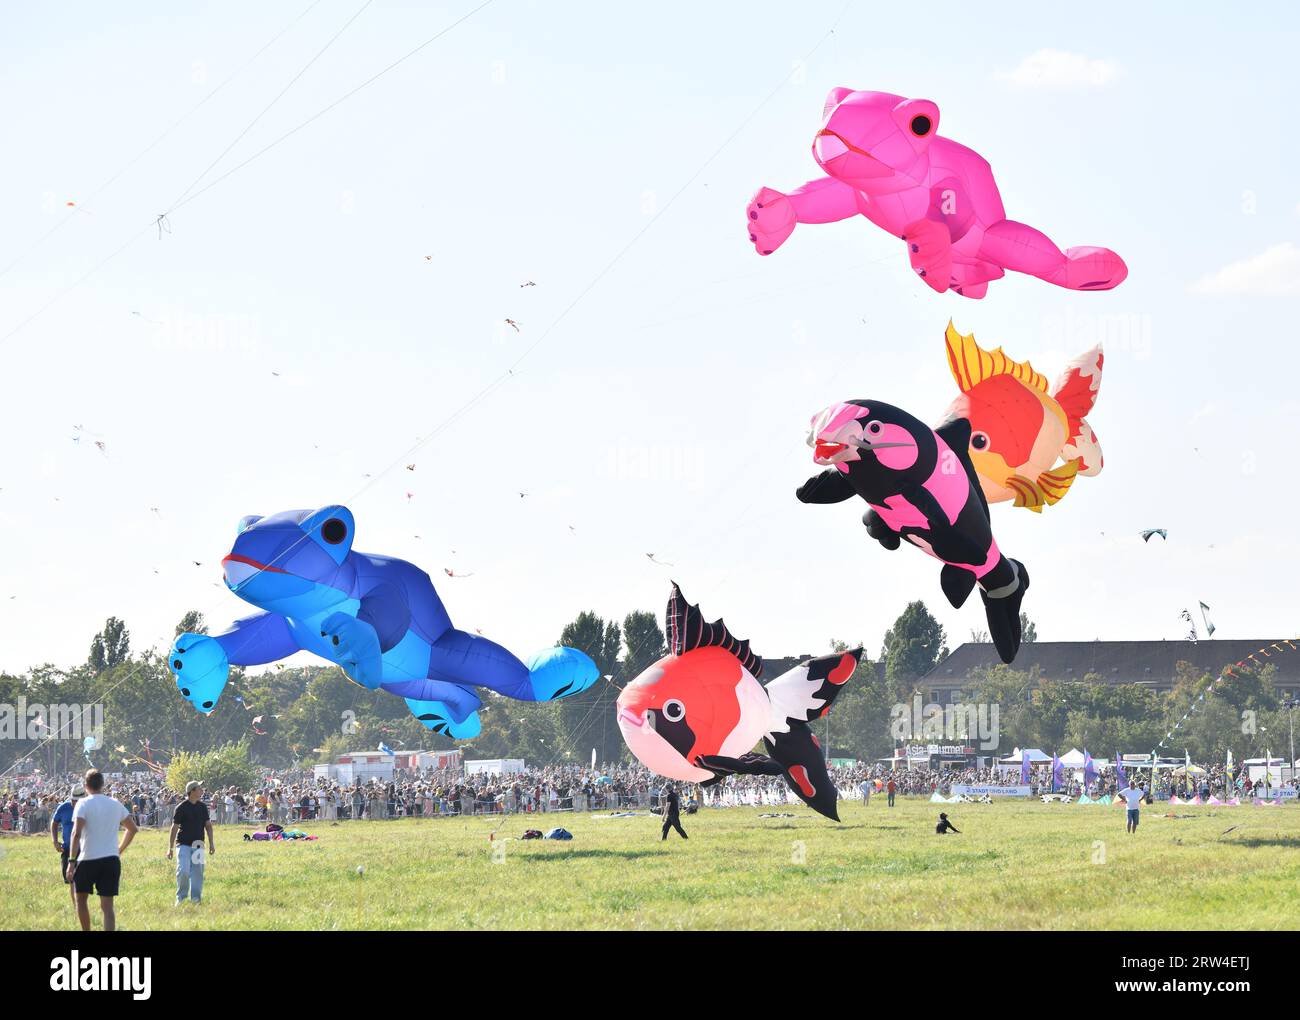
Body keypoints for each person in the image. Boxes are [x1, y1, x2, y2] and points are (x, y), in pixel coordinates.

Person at [66, 769, 137, 932]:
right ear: (103, 785)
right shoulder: (115, 803)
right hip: (111, 860)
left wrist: (71, 861)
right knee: (108, 907)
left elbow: (76, 833)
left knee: (81, 900)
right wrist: (119, 849)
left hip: (88, 858)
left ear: (86, 786)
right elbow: (132, 829)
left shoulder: (82, 804)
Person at [168, 780, 215, 905]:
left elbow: (208, 826)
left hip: (198, 844)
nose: (202, 790)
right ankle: (181, 899)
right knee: (183, 871)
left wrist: (211, 843)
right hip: (183, 845)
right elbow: (174, 828)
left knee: (197, 874)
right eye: (199, 788)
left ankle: (196, 900)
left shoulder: (202, 807)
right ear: (192, 791)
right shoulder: (181, 808)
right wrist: (170, 848)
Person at [51, 788, 82, 904]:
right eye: (73, 800)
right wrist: (55, 841)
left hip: (85, 849)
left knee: (81, 879)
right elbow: (54, 823)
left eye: (78, 801)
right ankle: (77, 906)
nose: (75, 803)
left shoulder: (88, 808)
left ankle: (80, 905)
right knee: (71, 879)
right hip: (68, 848)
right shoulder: (63, 808)